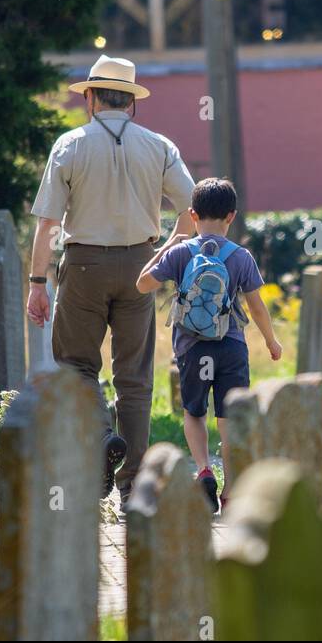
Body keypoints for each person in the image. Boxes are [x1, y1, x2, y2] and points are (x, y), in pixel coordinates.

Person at [26, 54, 195, 503]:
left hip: (83, 265)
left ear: (90, 97)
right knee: (134, 378)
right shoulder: (159, 146)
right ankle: (132, 487)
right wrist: (166, 251)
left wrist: (36, 282)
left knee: (77, 364)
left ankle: (101, 437)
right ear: (132, 102)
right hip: (142, 265)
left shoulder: (70, 144)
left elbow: (46, 225)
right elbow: (192, 209)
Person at [136, 177, 282, 509]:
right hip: (230, 347)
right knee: (229, 418)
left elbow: (142, 284)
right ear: (232, 216)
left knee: (194, 412)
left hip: (192, 348)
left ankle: (203, 470)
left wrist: (168, 243)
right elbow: (256, 306)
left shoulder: (180, 252)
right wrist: (272, 342)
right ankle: (230, 490)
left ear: (193, 213)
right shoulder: (241, 256)